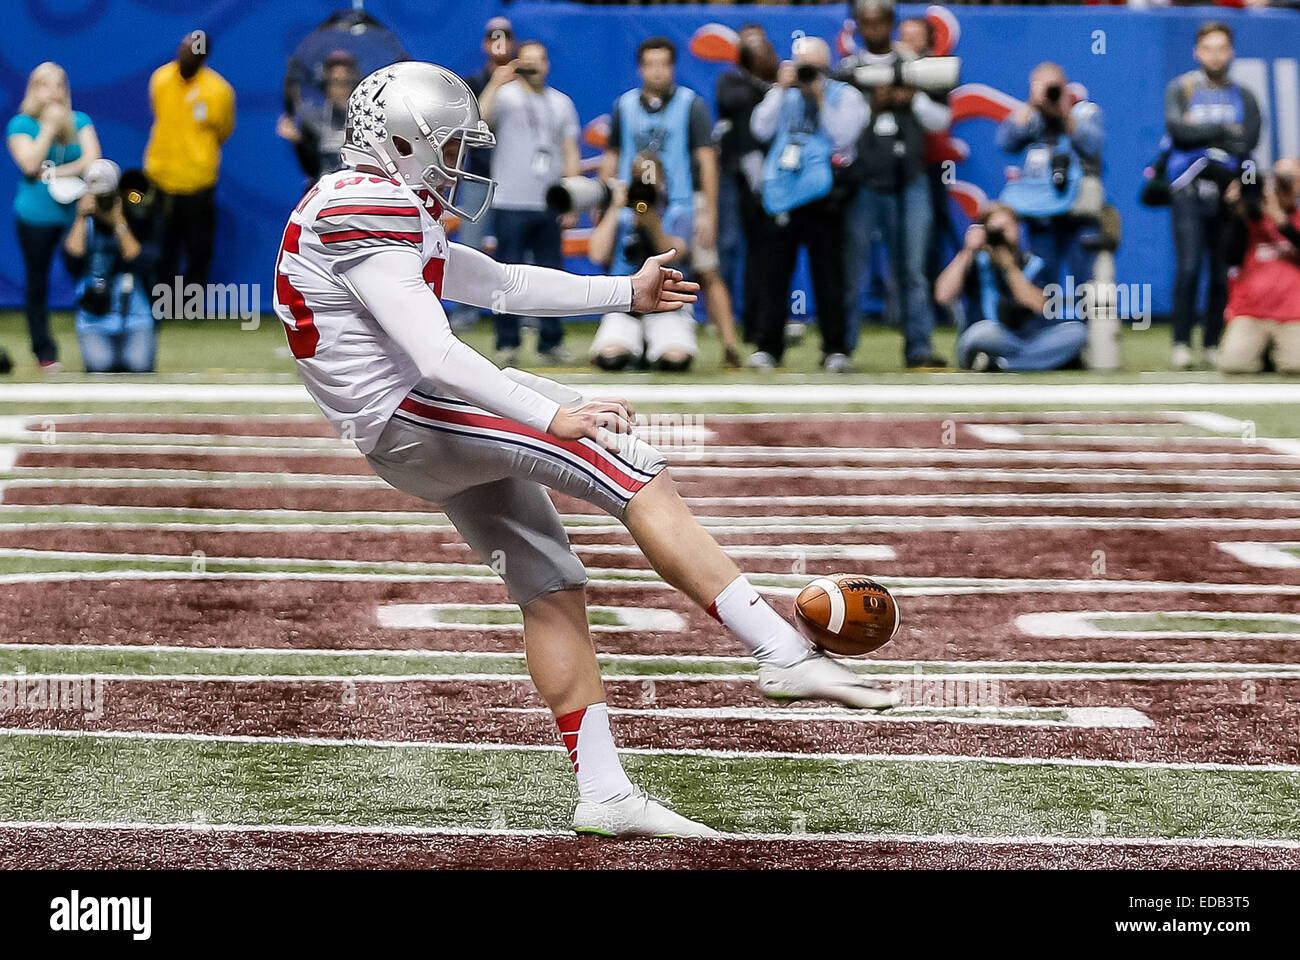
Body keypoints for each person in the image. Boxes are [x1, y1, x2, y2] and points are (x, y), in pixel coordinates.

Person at [274, 62, 899, 838]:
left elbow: (500, 284)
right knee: (626, 463)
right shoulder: (368, 203)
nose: (462, 164)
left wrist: (622, 293)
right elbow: (434, 354)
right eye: (447, 146)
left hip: (406, 423)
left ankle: (605, 791)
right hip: (412, 412)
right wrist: (548, 411)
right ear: (399, 141)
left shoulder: (369, 201)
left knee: (549, 580)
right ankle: (780, 650)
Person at [601, 37, 740, 369]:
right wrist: (605, 199)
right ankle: (624, 337)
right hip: (632, 205)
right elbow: (613, 155)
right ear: (640, 68)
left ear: (673, 67)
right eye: (651, 64)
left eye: (664, 64)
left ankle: (730, 345)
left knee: (706, 270)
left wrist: (709, 213)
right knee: (623, 267)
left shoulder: (691, 105)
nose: (657, 71)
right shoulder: (625, 105)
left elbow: (707, 160)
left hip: (680, 204)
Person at [840, 0, 951, 368]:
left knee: (913, 271)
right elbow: (835, 131)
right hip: (863, 184)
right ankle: (844, 349)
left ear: (890, 23)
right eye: (866, 23)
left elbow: (941, 120)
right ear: (858, 26)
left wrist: (911, 98)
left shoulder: (913, 67)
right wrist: (870, 107)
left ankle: (918, 347)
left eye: (880, 22)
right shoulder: (849, 70)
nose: (873, 29)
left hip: (910, 180)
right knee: (852, 271)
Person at [748, 36, 867, 372]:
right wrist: (779, 89)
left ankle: (835, 348)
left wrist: (819, 96)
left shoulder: (846, 96)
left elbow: (843, 137)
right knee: (774, 273)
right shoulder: (783, 94)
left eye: (814, 67)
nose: (807, 72)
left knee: (829, 273)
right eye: (803, 65)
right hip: (784, 191)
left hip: (824, 193)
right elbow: (760, 129)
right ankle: (768, 346)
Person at [477, 40, 581, 367]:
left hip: (548, 203)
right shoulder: (506, 97)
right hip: (510, 199)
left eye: (539, 60)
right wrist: (498, 79)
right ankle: (507, 342)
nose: (534, 67)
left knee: (552, 276)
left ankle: (551, 341)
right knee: (505, 277)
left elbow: (569, 151)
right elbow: (478, 120)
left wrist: (572, 198)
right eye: (528, 61)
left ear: (548, 64)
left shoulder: (561, 102)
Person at [1165, 21, 1261, 370]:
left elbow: (1247, 140)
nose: (1215, 56)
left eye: (1222, 48)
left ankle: (1211, 342)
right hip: (1187, 187)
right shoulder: (1182, 88)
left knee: (1221, 271)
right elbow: (1178, 130)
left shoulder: (1243, 95)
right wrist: (1223, 131)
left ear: (1231, 52)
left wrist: (1201, 135)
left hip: (1227, 190)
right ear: (1197, 51)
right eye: (1208, 48)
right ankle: (1180, 342)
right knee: (1189, 267)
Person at [6, 61, 101, 372]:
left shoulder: (80, 121)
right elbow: (30, 164)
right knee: (38, 282)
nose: (55, 91)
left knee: (91, 273)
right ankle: (44, 352)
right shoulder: (21, 125)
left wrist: (57, 171)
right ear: (34, 89)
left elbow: (93, 160)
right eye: (46, 84)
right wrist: (48, 128)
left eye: (60, 84)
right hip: (36, 216)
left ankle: (103, 341)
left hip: (76, 216)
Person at [996, 63, 1105, 309]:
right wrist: (1029, 109)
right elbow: (1005, 143)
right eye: (1040, 85)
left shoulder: (1084, 112)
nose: (1047, 92)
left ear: (1065, 86)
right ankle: (1044, 338)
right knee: (1042, 279)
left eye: (1052, 86)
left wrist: (1063, 113)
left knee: (1086, 281)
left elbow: (1093, 145)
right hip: (1041, 214)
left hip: (1079, 213)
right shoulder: (1031, 117)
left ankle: (1088, 340)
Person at [144, 30, 236, 316]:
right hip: (161, 175)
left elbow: (223, 130)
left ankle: (190, 307)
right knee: (163, 245)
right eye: (184, 48)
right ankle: (161, 304)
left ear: (204, 57)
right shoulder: (160, 79)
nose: (186, 55)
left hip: (198, 178)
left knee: (198, 246)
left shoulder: (218, 90)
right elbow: (156, 111)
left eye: (194, 52)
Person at [935, 202, 1086, 372]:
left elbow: (1039, 306)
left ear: (1018, 229)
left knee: (1077, 332)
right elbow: (943, 296)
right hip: (987, 336)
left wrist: (1008, 267)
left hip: (1024, 339)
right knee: (983, 332)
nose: (1001, 235)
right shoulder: (975, 261)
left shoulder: (1032, 263)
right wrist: (967, 251)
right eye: (995, 230)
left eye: (1005, 228)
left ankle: (1000, 365)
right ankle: (1043, 360)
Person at [587, 152, 697, 371]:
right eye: (639, 176)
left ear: (663, 181)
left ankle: (654, 346)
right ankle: (633, 345)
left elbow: (677, 252)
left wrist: (652, 219)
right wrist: (615, 208)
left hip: (666, 303)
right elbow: (597, 254)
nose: (645, 183)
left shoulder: (677, 211)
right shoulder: (619, 214)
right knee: (611, 358)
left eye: (651, 177)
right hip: (624, 302)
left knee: (674, 360)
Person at [451, 16, 516, 331]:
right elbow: (476, 125)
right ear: (485, 44)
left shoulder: (525, 82)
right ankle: (465, 312)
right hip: (480, 176)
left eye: (505, 38)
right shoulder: (474, 82)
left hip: (517, 180)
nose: (500, 44)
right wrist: (497, 82)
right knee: (469, 249)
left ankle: (520, 315)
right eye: (494, 38)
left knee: (515, 249)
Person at [60, 160, 156, 373]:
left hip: (134, 316)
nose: (103, 201)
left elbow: (139, 261)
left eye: (107, 195)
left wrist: (118, 222)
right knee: (99, 366)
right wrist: (81, 217)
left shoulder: (134, 218)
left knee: (138, 366)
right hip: (94, 318)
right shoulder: (82, 222)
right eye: (98, 195)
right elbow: (72, 259)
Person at [715, 24, 779, 344]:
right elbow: (733, 102)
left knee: (761, 251)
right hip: (732, 173)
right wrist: (770, 89)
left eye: (760, 44)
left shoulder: (779, 80)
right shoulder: (731, 79)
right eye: (748, 45)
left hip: (770, 177)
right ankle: (722, 319)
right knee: (727, 247)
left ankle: (757, 320)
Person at [1216, 158, 1300, 374]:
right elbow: (1230, 256)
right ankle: (1264, 351)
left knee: (1295, 365)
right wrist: (1236, 212)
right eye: (1278, 176)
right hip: (1252, 312)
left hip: (1293, 314)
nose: (1282, 183)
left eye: (1289, 177)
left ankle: (1274, 351)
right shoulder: (1252, 219)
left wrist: (1282, 221)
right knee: (1233, 364)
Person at [277, 50, 359, 182]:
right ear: (325, 84)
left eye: (345, 83)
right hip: (323, 189)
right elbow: (311, 167)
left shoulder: (364, 119)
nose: (340, 89)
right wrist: (299, 141)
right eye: (335, 82)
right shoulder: (312, 118)